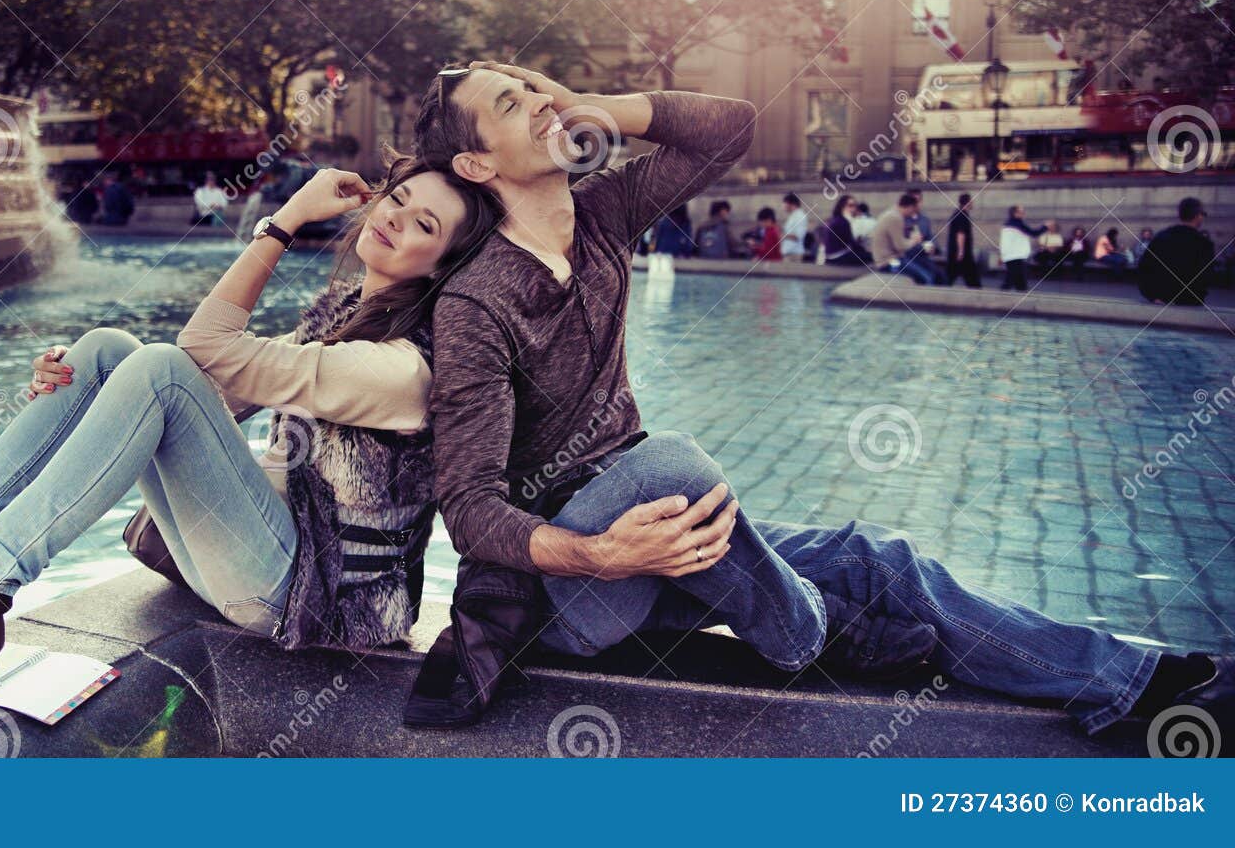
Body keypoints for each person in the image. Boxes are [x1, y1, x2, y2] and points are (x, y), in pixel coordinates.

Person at [410, 58, 1232, 739]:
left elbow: (730, 124)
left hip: (680, 539)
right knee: (670, 462)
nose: (540, 100)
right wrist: (602, 556)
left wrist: (596, 105)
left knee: (881, 561)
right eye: (513, 103)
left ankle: (1129, 681)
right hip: (584, 585)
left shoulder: (601, 217)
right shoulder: (477, 302)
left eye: (532, 83)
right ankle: (813, 634)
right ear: (478, 165)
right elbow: (471, 508)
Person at [0, 155, 502, 717]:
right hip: (275, 555)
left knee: (155, 365)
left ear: (442, 267)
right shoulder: (351, 314)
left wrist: (283, 221)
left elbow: (197, 350)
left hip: (321, 601)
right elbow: (203, 386)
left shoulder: (402, 367)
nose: (396, 220)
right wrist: (77, 391)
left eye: (425, 227)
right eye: (399, 200)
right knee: (106, 349)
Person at [1139, 196, 1217, 305]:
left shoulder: (1161, 237)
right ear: (1198, 215)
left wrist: (1153, 296)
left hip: (1160, 300)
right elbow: (1206, 277)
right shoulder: (1204, 244)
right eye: (1203, 214)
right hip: (1189, 303)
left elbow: (1144, 268)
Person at [872, 193, 943, 284]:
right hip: (889, 262)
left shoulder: (891, 213)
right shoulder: (895, 218)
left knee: (931, 273)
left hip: (891, 259)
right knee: (926, 278)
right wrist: (915, 240)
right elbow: (900, 246)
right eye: (913, 210)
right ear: (909, 207)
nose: (912, 214)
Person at [999, 205, 1047, 292]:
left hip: (1011, 255)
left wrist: (1002, 255)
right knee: (1013, 278)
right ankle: (1001, 297)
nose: (1023, 214)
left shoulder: (1008, 224)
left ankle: (1020, 294)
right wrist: (1045, 227)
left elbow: (1004, 242)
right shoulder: (1017, 224)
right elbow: (1034, 233)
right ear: (1014, 213)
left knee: (1017, 278)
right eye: (1021, 212)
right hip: (1016, 255)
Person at [944, 192, 981, 287]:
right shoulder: (962, 215)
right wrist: (961, 251)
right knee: (971, 277)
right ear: (967, 202)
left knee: (952, 274)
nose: (972, 203)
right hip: (962, 253)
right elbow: (961, 234)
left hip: (956, 251)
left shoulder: (958, 213)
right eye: (971, 201)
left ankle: (943, 288)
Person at [822, 194, 869, 266]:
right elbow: (851, 243)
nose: (853, 209)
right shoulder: (843, 221)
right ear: (842, 206)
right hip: (837, 257)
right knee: (868, 256)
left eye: (855, 205)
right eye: (850, 205)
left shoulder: (836, 219)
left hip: (831, 256)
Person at [780, 192, 810, 261]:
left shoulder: (800, 216)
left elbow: (798, 236)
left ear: (792, 204)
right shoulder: (793, 215)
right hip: (788, 253)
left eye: (784, 203)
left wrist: (782, 235)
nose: (783, 206)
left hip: (794, 254)